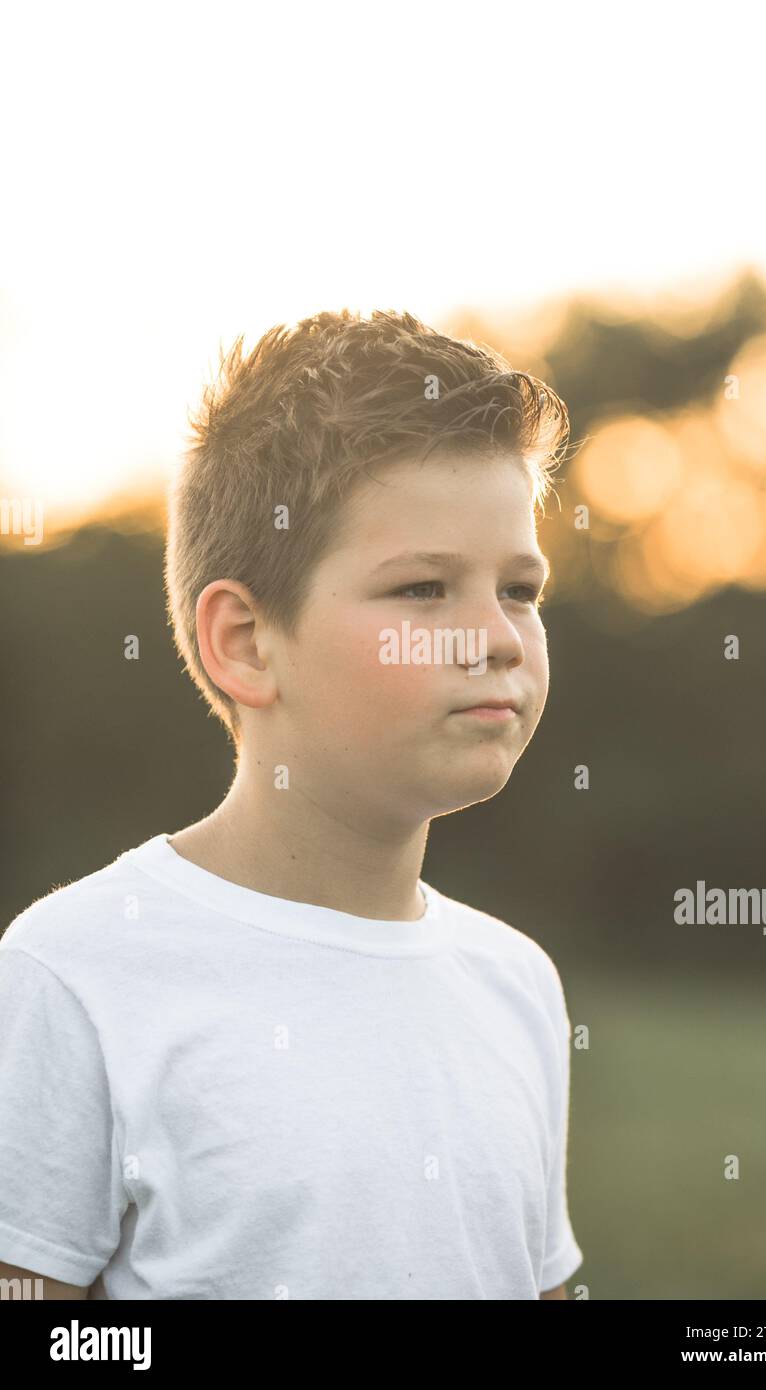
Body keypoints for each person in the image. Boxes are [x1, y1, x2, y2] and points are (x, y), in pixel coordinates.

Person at [0, 309, 583, 1300]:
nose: (495, 636)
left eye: (519, 589)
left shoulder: (517, 984)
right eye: (423, 589)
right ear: (246, 641)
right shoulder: (71, 975)